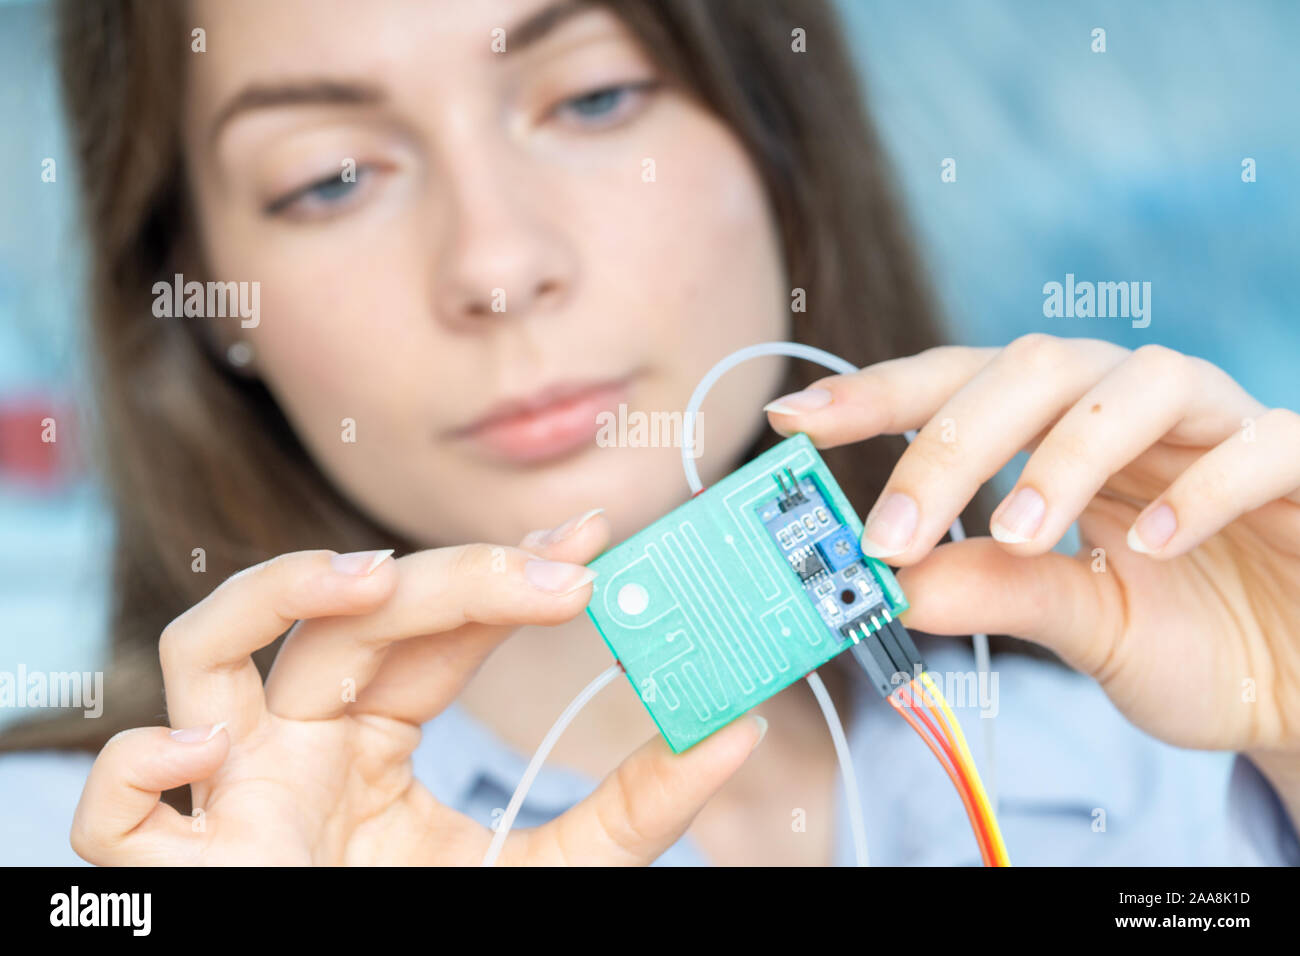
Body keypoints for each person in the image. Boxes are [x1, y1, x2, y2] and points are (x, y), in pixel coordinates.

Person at [1, 0, 1296, 866]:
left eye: (597, 101)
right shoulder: (85, 851)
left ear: (777, 146)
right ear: (209, 304)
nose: (498, 264)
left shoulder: (1194, 782)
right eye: (331, 177)